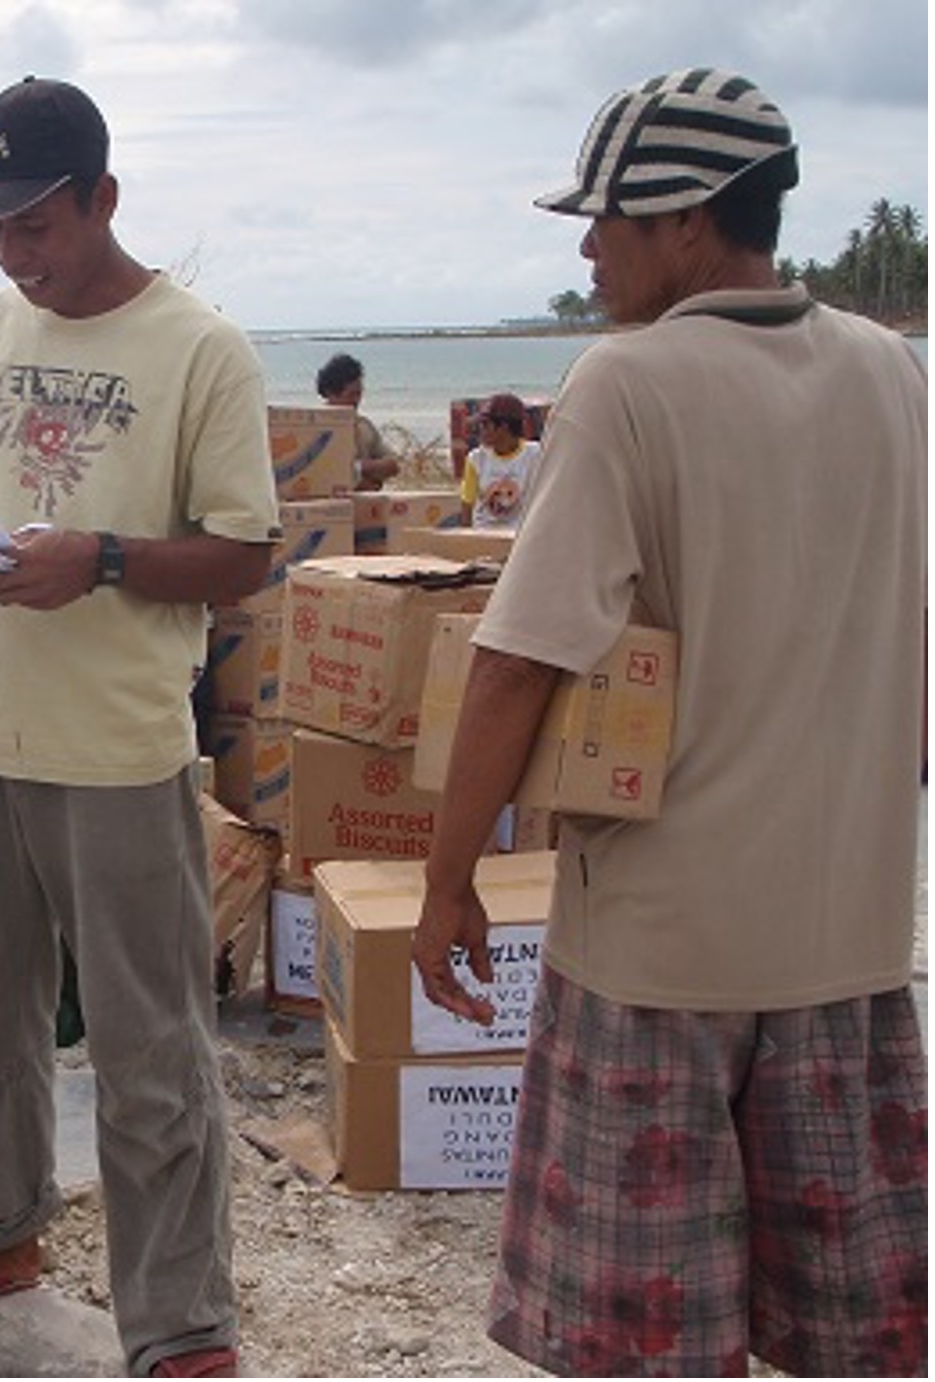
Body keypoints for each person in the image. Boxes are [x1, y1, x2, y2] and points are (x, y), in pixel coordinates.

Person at [412, 69, 926, 1377]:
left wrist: (448, 879)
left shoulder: (627, 383)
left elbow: (518, 663)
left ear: (688, 221)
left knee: (645, 1342)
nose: (586, 250)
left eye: (606, 222)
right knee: (843, 1337)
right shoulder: (895, 374)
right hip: (853, 946)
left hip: (657, 959)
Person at [0, 76, 280, 1379]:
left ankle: (180, 1325)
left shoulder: (200, 350)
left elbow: (242, 560)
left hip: (115, 752)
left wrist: (98, 560)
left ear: (104, 198)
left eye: (35, 225)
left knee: (149, 1050)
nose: (12, 253)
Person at [456, 391, 541, 529]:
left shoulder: (535, 455)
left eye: (485, 425)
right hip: (484, 533)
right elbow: (467, 504)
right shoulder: (476, 459)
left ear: (503, 427)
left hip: (519, 536)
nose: (480, 430)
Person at [315, 351, 399, 489]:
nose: (356, 400)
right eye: (351, 394)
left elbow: (392, 466)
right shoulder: (314, 428)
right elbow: (323, 476)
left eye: (359, 394)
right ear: (331, 393)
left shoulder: (364, 426)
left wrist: (358, 468)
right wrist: (366, 478)